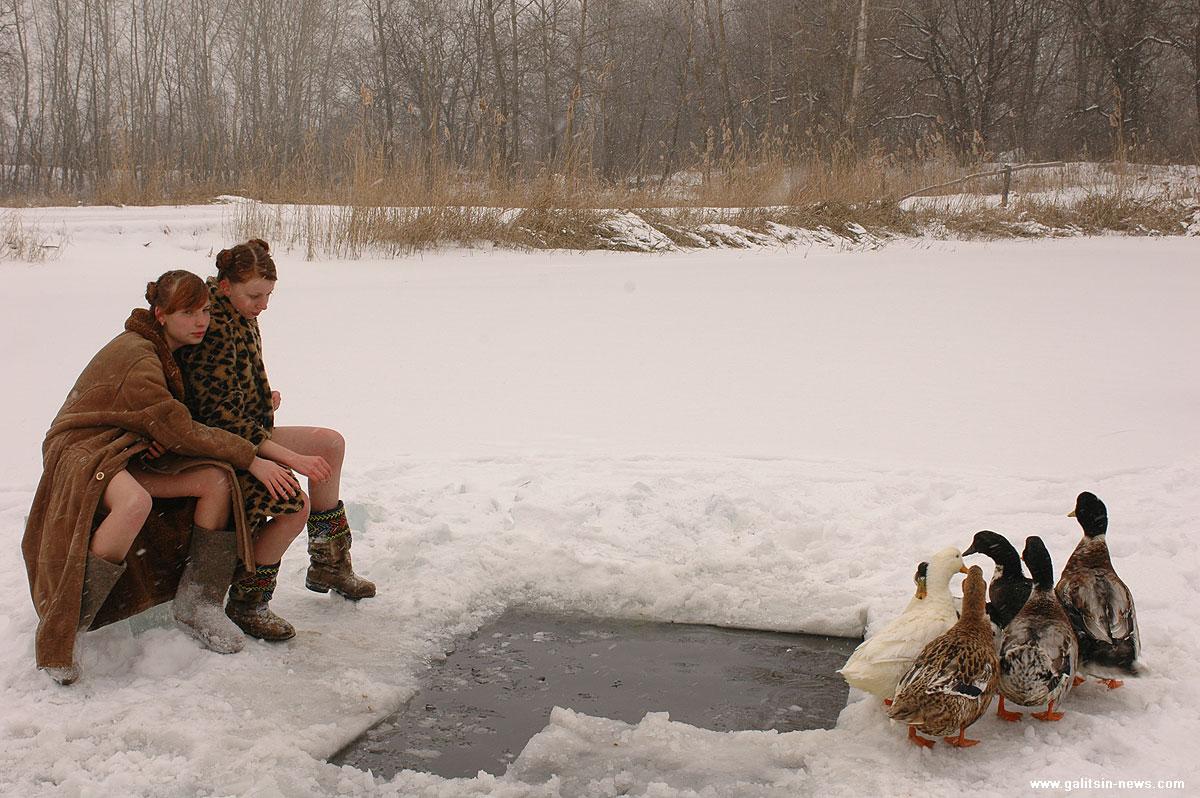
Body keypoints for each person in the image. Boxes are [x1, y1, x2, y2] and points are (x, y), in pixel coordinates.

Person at [22, 270, 301, 685]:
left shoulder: (166, 347)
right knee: (134, 502)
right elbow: (180, 428)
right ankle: (67, 624)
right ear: (161, 314)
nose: (200, 322)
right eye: (188, 313)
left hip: (126, 446)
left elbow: (174, 419)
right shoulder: (138, 355)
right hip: (83, 451)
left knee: (215, 482)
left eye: (204, 311)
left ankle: (199, 602)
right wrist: (253, 458)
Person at [178, 239, 376, 643]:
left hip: (248, 431)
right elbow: (216, 418)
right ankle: (248, 601)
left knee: (330, 444)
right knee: (294, 502)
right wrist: (286, 456)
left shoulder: (240, 312)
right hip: (217, 447)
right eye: (256, 295)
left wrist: (260, 399)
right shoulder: (212, 325)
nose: (264, 304)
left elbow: (229, 395)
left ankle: (329, 563)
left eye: (269, 295)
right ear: (225, 286)